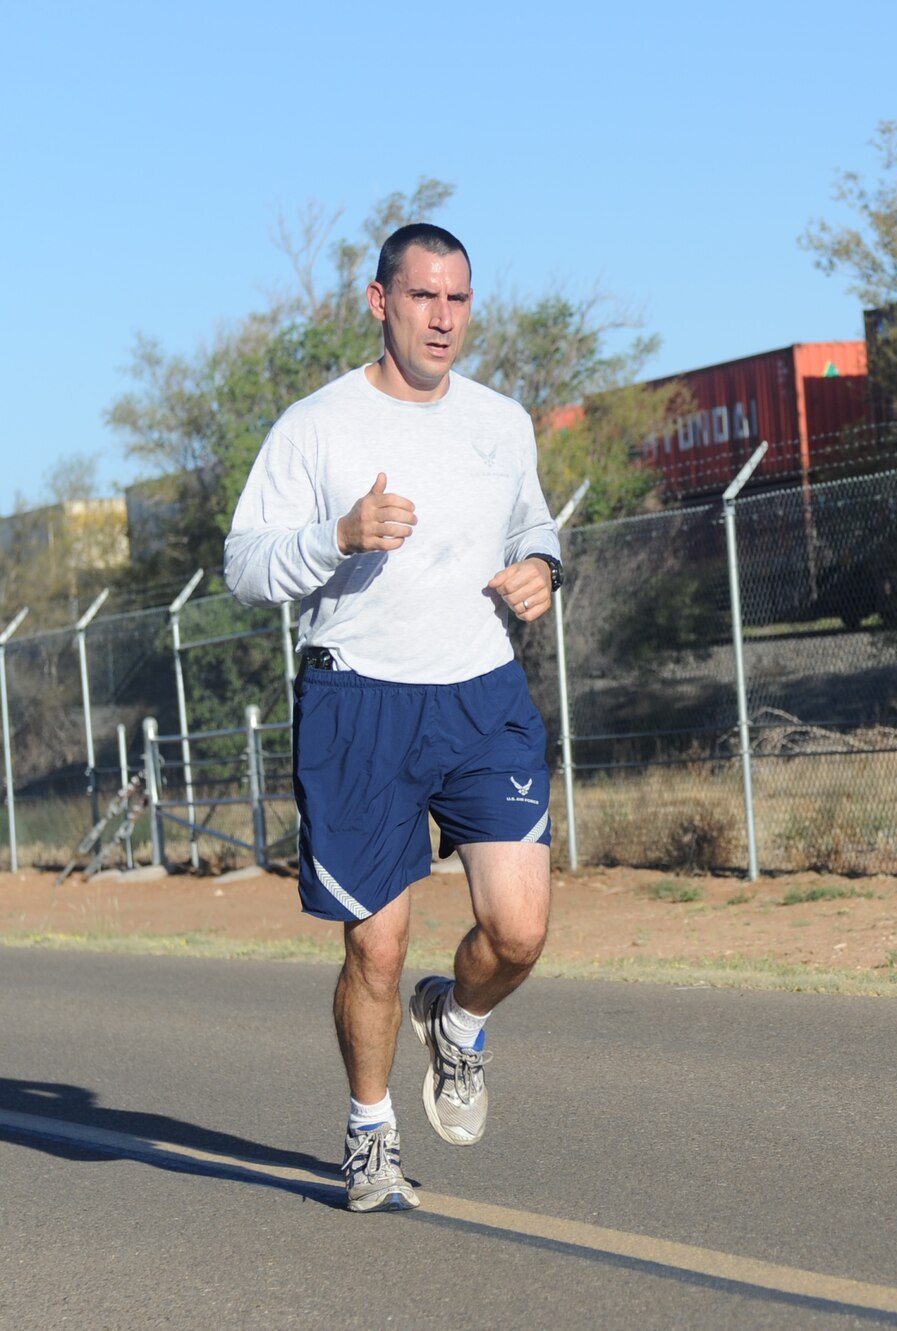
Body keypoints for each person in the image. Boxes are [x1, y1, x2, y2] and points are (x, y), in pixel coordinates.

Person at [225, 222, 564, 1213]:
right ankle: (370, 1126)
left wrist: (542, 567)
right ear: (380, 302)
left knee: (521, 930)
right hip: (359, 697)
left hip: (480, 690)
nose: (443, 318)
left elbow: (531, 520)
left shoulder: (500, 421)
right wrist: (335, 537)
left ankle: (455, 1019)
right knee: (375, 942)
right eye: (424, 297)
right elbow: (247, 563)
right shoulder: (316, 426)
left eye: (458, 299)